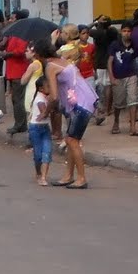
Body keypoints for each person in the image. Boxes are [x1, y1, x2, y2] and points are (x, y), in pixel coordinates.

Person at [52, 43, 97, 189]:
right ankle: (69, 175)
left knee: (72, 140)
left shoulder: (66, 68)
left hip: (81, 105)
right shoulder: (69, 67)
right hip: (78, 104)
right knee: (71, 140)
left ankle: (81, 177)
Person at [109, 29, 138, 136]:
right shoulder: (115, 45)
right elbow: (110, 61)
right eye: (124, 31)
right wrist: (112, 77)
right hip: (118, 77)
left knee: (133, 100)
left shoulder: (134, 45)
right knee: (118, 103)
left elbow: (135, 60)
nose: (127, 33)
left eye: (129, 31)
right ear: (120, 32)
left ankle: (133, 127)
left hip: (131, 75)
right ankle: (116, 121)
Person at [28, 63, 53, 187]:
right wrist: (48, 110)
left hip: (44, 127)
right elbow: (44, 112)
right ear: (41, 89)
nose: (50, 88)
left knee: (46, 152)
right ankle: (39, 173)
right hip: (36, 128)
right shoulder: (40, 99)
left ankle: (43, 176)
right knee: (38, 154)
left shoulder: (45, 97)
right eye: (48, 86)